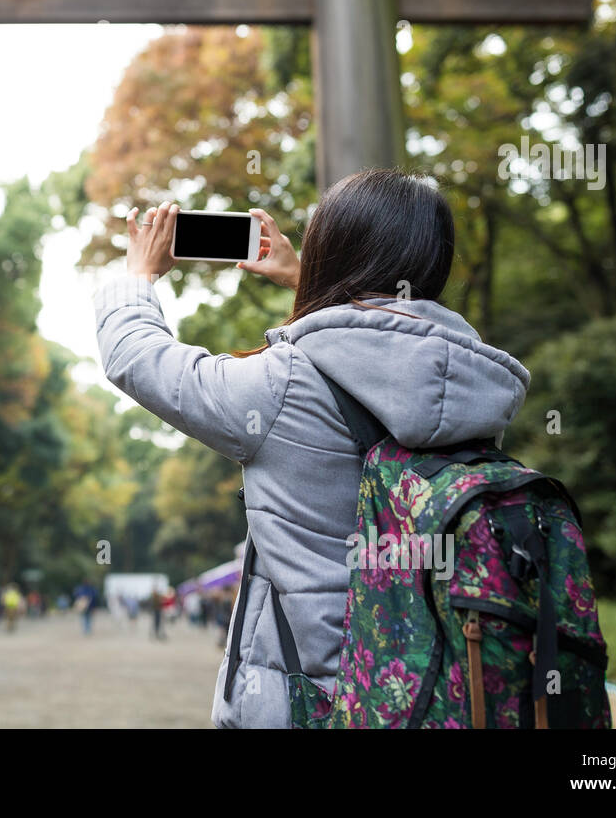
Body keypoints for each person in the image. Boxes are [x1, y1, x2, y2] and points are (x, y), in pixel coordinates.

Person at [95, 169, 530, 729]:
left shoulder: (284, 385)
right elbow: (378, 345)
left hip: (319, 699)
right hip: (433, 690)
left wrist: (138, 276)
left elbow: (139, 359)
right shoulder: (470, 384)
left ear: (332, 249)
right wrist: (312, 283)